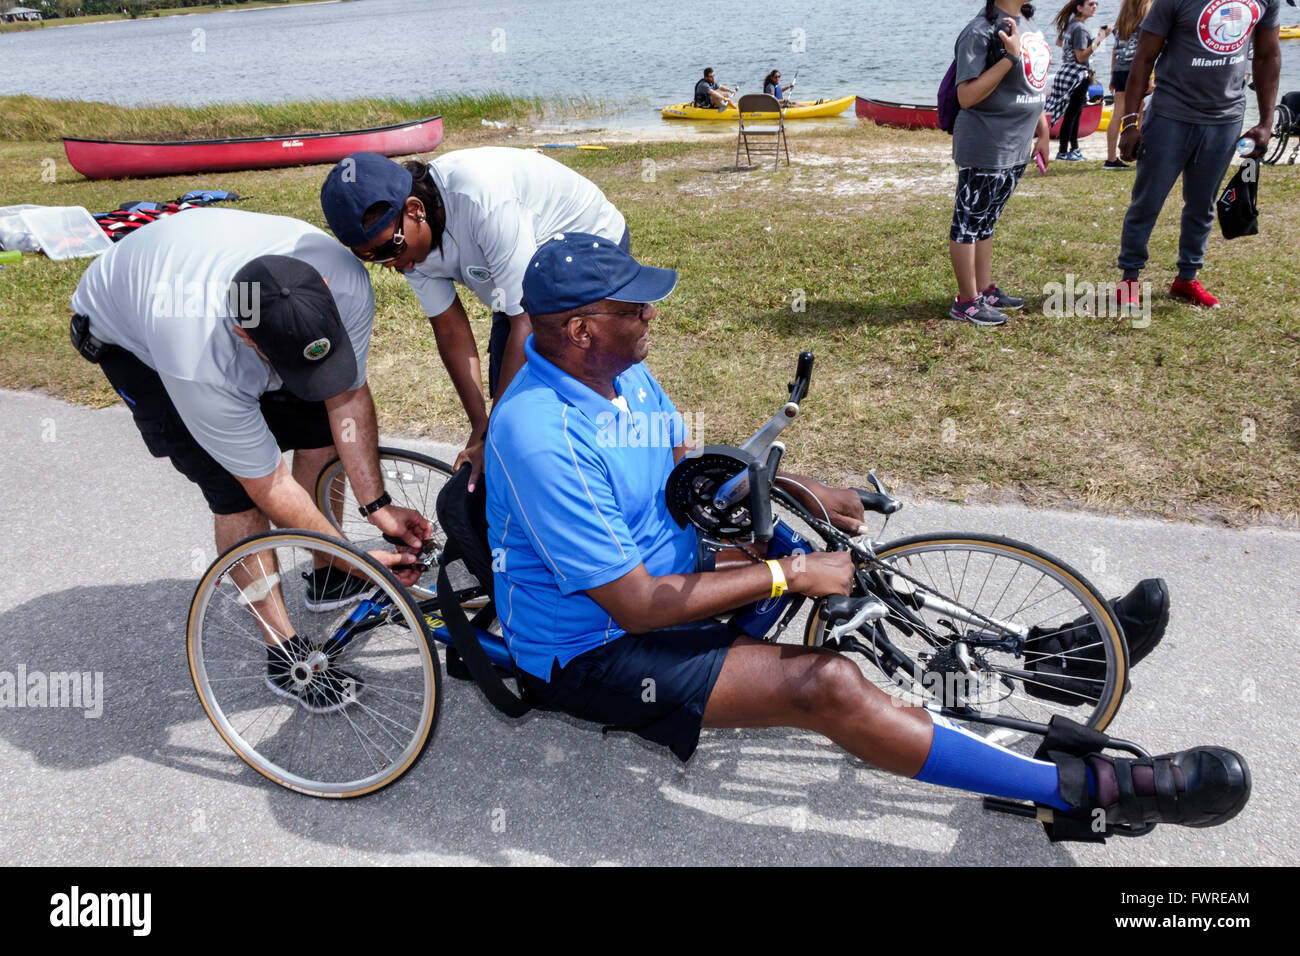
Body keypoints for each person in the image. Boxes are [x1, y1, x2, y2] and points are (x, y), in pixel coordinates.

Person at [483, 231, 1247, 840]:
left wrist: (794, 487)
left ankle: (1051, 661)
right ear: (580, 329)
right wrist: (788, 578)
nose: (653, 316)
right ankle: (1092, 791)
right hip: (595, 646)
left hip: (675, 561)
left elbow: (687, 473)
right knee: (824, 684)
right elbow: (639, 606)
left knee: (836, 547)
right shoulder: (540, 434)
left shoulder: (620, 373)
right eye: (635, 309)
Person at [70, 208, 432, 711]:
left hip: (203, 277)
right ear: (245, 336)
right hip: (133, 340)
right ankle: (283, 652)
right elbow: (268, 484)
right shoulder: (197, 356)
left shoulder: (343, 278)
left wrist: (378, 506)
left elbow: (346, 399)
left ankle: (331, 573)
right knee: (235, 494)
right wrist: (364, 557)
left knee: (321, 434)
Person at [320, 147, 628, 488]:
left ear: (415, 209)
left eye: (387, 250)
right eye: (369, 257)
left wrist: (494, 436)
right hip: (525, 283)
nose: (388, 264)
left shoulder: (481, 199)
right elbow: (450, 329)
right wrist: (481, 426)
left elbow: (524, 322)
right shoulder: (405, 244)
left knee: (557, 395)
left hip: (588, 253)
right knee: (508, 408)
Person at [1116, 0, 1282, 308]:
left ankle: (1187, 278)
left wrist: (1265, 123)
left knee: (1202, 204)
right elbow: (1145, 56)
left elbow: (1267, 56)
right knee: (1148, 200)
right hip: (1170, 115)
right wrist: (1129, 123)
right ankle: (1130, 278)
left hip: (1226, 118)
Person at [948, 1, 1053, 327]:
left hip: (1017, 143)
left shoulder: (1028, 24)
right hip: (987, 142)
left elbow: (1032, 85)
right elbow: (966, 95)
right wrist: (1009, 59)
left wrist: (1044, 131)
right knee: (967, 223)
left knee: (987, 221)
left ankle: (984, 289)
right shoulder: (979, 32)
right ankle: (966, 301)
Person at [1047, 1, 1113, 161]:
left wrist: (1090, 41)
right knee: (1072, 114)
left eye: (1096, 3)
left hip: (1067, 71)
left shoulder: (1072, 25)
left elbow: (1059, 42)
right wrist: (1100, 39)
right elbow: (1081, 56)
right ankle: (1065, 151)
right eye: (1091, 4)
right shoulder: (1081, 28)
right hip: (1077, 74)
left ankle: (1071, 149)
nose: (1095, 6)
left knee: (1073, 113)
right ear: (1079, 7)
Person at [1105, 0, 1154, 168]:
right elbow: (1147, 50)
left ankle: (1110, 158)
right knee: (1138, 114)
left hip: (1120, 70)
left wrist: (1112, 74)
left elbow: (1114, 50)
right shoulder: (1146, 21)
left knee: (1117, 114)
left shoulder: (1121, 22)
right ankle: (1137, 153)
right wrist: (1151, 77)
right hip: (1137, 71)